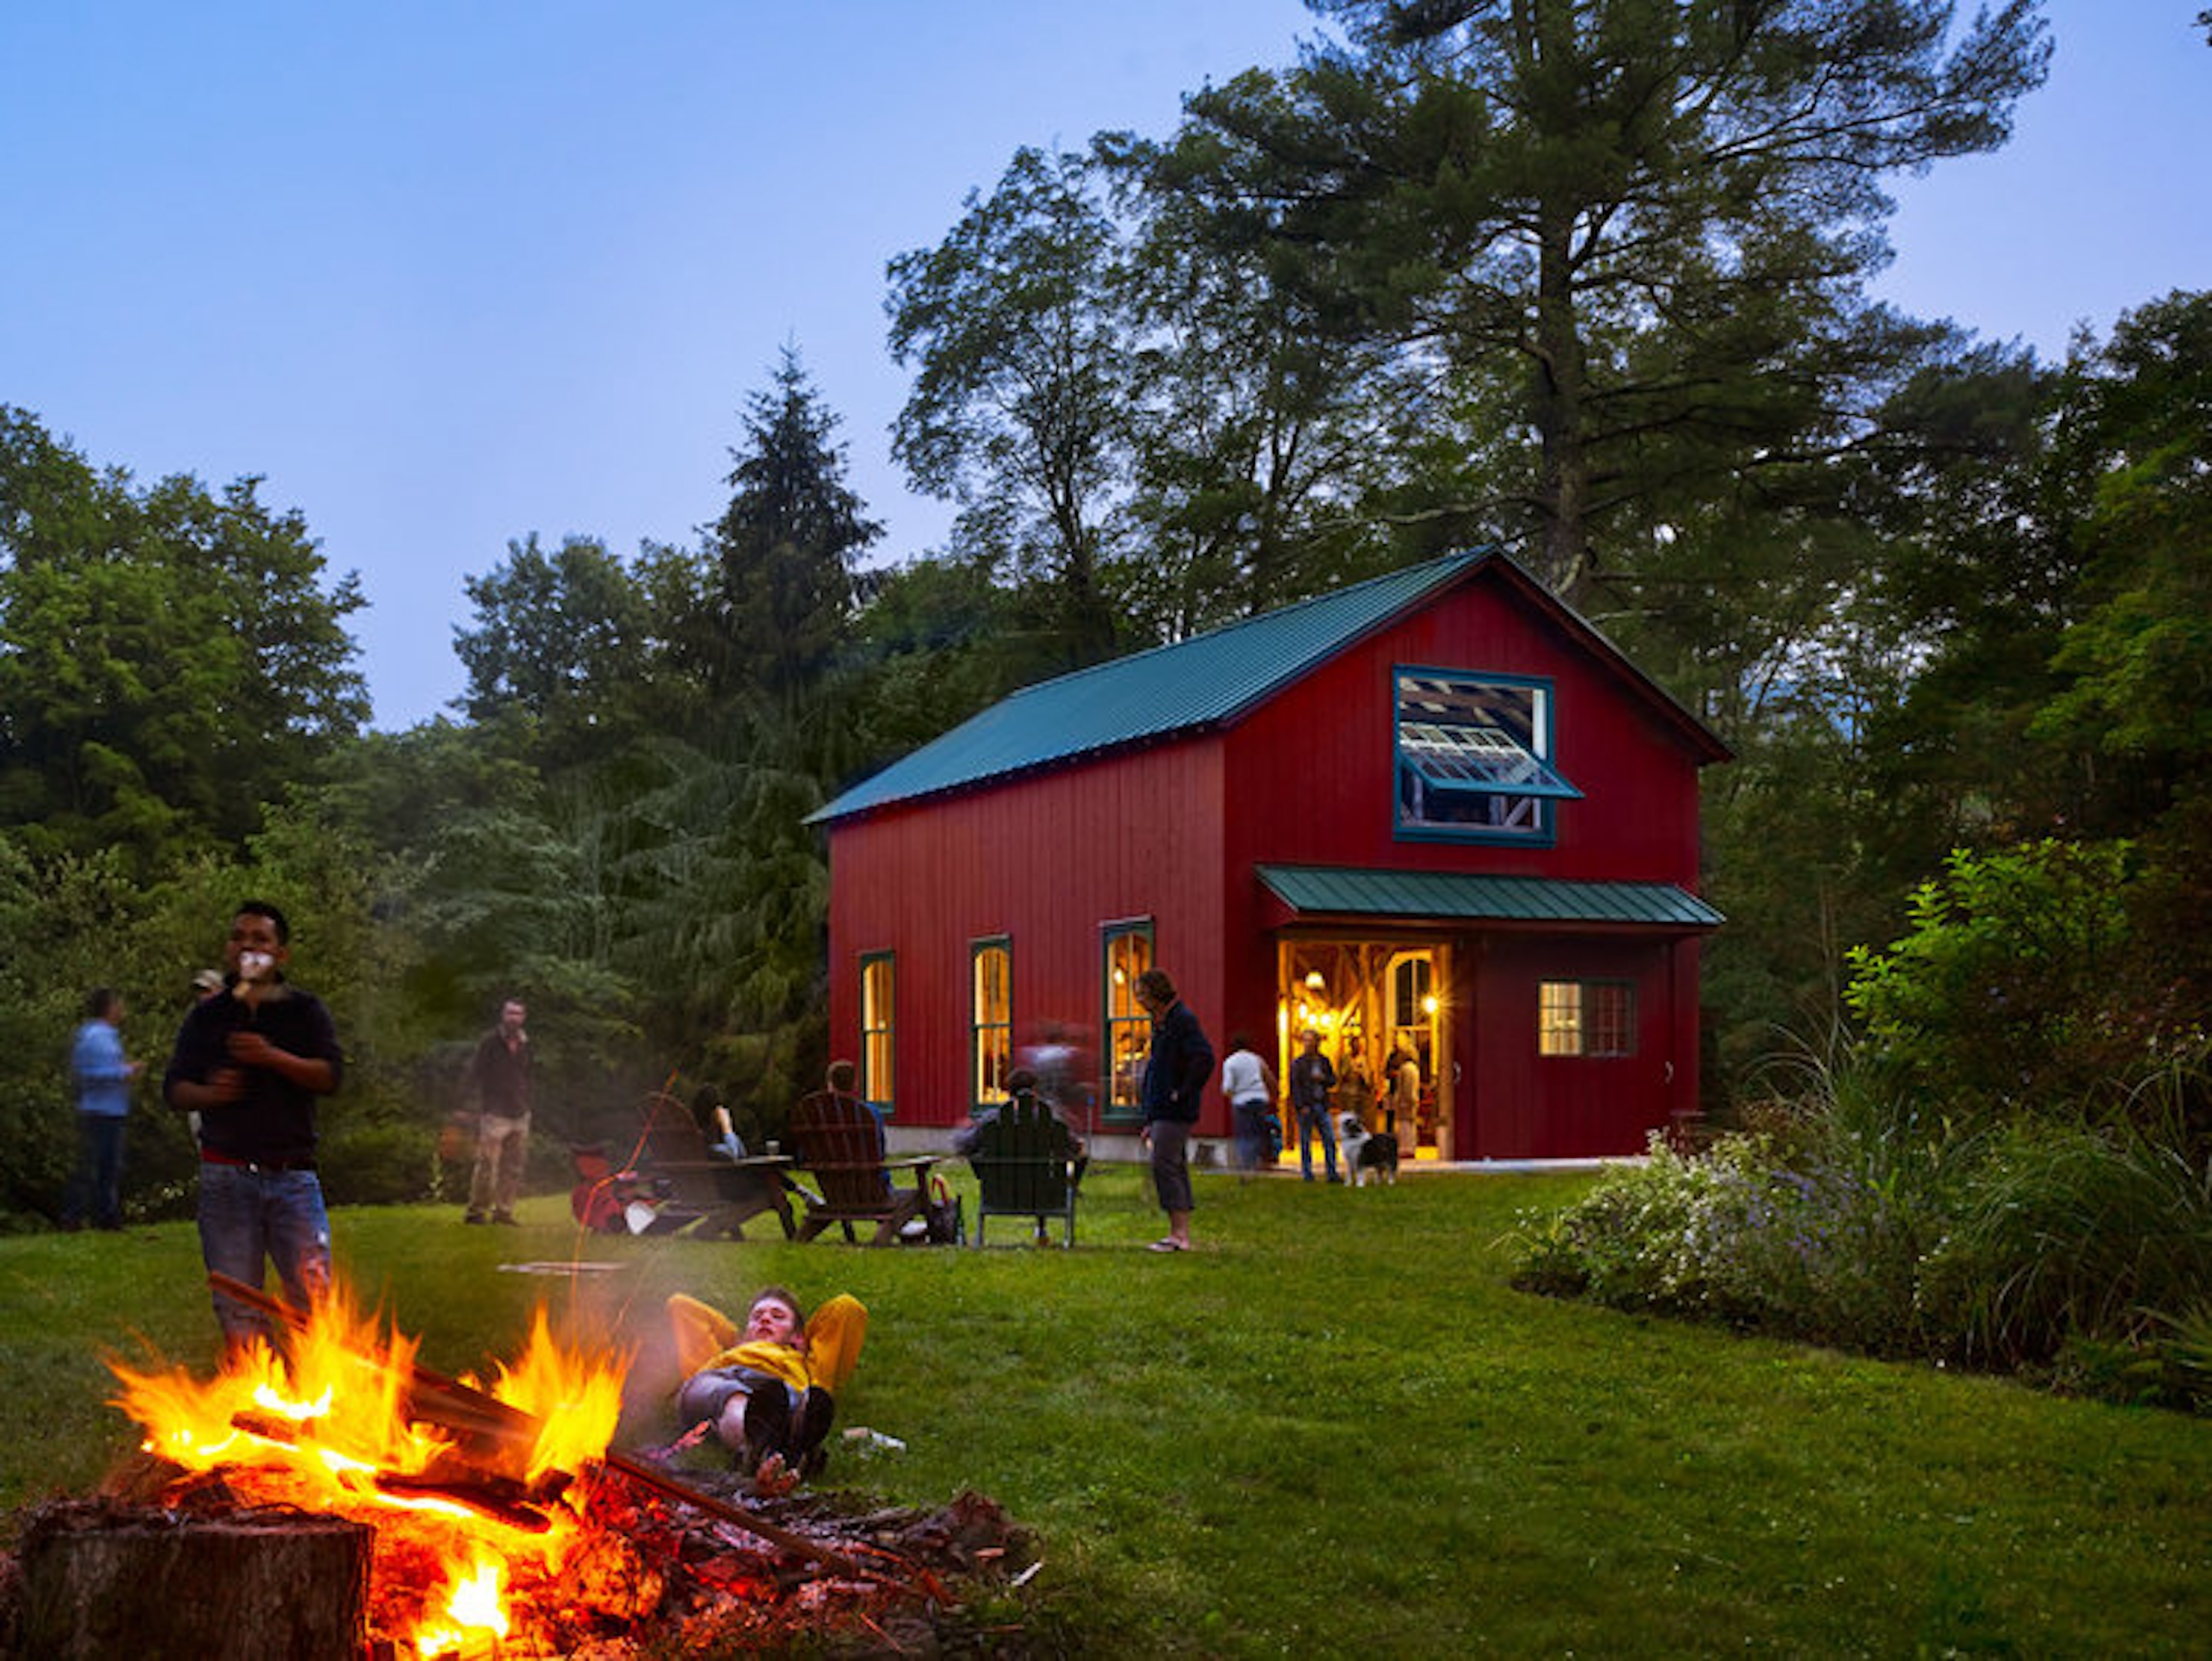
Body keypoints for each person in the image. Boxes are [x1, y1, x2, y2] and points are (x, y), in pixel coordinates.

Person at [164, 900, 345, 1354]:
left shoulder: (305, 1012)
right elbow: (174, 1089)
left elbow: (330, 1077)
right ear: (229, 950)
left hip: (293, 1177)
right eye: (239, 937)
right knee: (237, 1299)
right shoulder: (208, 1018)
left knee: (314, 1298)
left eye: (260, 939)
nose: (249, 946)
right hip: (227, 1176)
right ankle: (257, 1400)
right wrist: (210, 1096)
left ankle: (320, 1398)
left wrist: (272, 1057)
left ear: (280, 954)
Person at [667, 1285, 867, 1480]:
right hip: (721, 1381)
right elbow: (682, 1306)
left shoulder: (805, 1365)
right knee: (733, 1396)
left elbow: (847, 1308)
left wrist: (803, 1341)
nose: (765, 1319)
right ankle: (759, 1447)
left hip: (783, 1391)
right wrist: (737, 1338)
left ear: (796, 1336)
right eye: (757, 1317)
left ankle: (780, 1445)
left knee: (793, 1400)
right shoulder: (723, 1356)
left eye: (778, 1316)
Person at [1134, 967, 1211, 1252]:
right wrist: (1150, 1117)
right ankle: (1178, 1232)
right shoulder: (1163, 1023)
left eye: (1142, 994)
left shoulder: (1182, 1021)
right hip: (1162, 1109)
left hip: (1174, 1110)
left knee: (1164, 1165)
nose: (1139, 1000)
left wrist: (1182, 1092)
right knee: (1174, 1165)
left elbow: (1204, 1059)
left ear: (1156, 993)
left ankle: (1179, 1234)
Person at [61, 988, 144, 1232]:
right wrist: (124, 1072)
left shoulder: (105, 1036)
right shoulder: (96, 1037)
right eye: (118, 1003)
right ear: (109, 1007)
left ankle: (103, 1215)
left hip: (110, 1109)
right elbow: (88, 1074)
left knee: (107, 1165)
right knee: (95, 1165)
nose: (121, 1008)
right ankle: (79, 1215)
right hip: (101, 1111)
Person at [463, 997, 531, 1225]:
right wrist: (470, 1106)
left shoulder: (525, 1042)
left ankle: (503, 1212)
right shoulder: (490, 1042)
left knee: (513, 1167)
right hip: (495, 1112)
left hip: (520, 1112)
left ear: (524, 1018)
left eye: (518, 1014)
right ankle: (476, 1212)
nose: (514, 1017)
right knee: (486, 1165)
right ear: (503, 1015)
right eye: (510, 1013)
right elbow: (474, 1072)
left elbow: (528, 1074)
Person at [1220, 1031, 1278, 1178]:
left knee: (1243, 1134)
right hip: (1259, 1098)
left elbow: (1227, 1088)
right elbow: (1269, 1078)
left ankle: (1246, 1167)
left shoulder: (1230, 1062)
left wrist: (1232, 1095)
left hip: (1241, 1100)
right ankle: (1256, 1163)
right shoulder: (1256, 1059)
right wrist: (1274, 1094)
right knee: (1257, 1133)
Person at [1288, 1028, 1342, 1184]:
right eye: (1305, 1041)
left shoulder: (1324, 1061)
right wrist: (1300, 1105)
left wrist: (1323, 1078)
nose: (1308, 1044)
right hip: (1307, 1106)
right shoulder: (1298, 1064)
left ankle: (1332, 1172)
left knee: (1330, 1139)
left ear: (1317, 1043)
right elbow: (1295, 1086)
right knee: (1305, 1141)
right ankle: (1307, 1173)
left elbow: (1333, 1081)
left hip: (1322, 1105)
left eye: (1311, 1041)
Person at [692, 1083, 747, 1160]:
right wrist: (727, 1128)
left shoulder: (702, 1143)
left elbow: (742, 1154)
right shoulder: (710, 1149)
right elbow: (734, 1154)